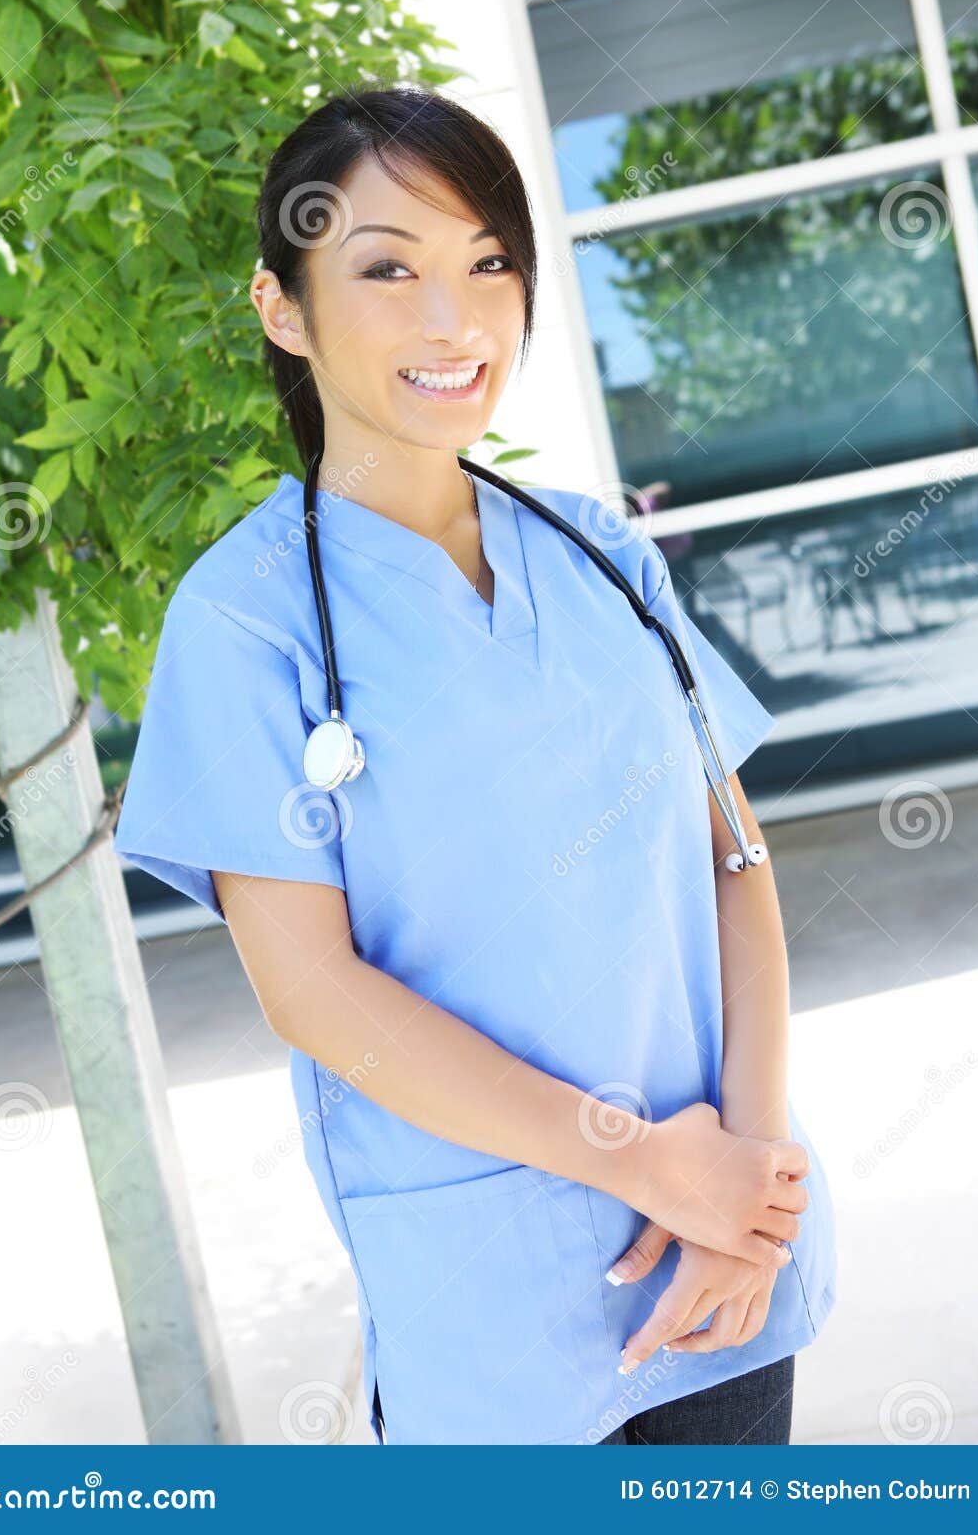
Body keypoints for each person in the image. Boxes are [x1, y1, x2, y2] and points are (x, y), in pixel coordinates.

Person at [113, 85, 837, 1446]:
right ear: (282, 308)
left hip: (728, 1275)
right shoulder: (242, 621)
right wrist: (651, 1162)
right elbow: (315, 992)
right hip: (501, 1325)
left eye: (488, 263)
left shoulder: (599, 552)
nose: (454, 322)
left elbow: (734, 859)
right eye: (388, 269)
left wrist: (749, 1185)